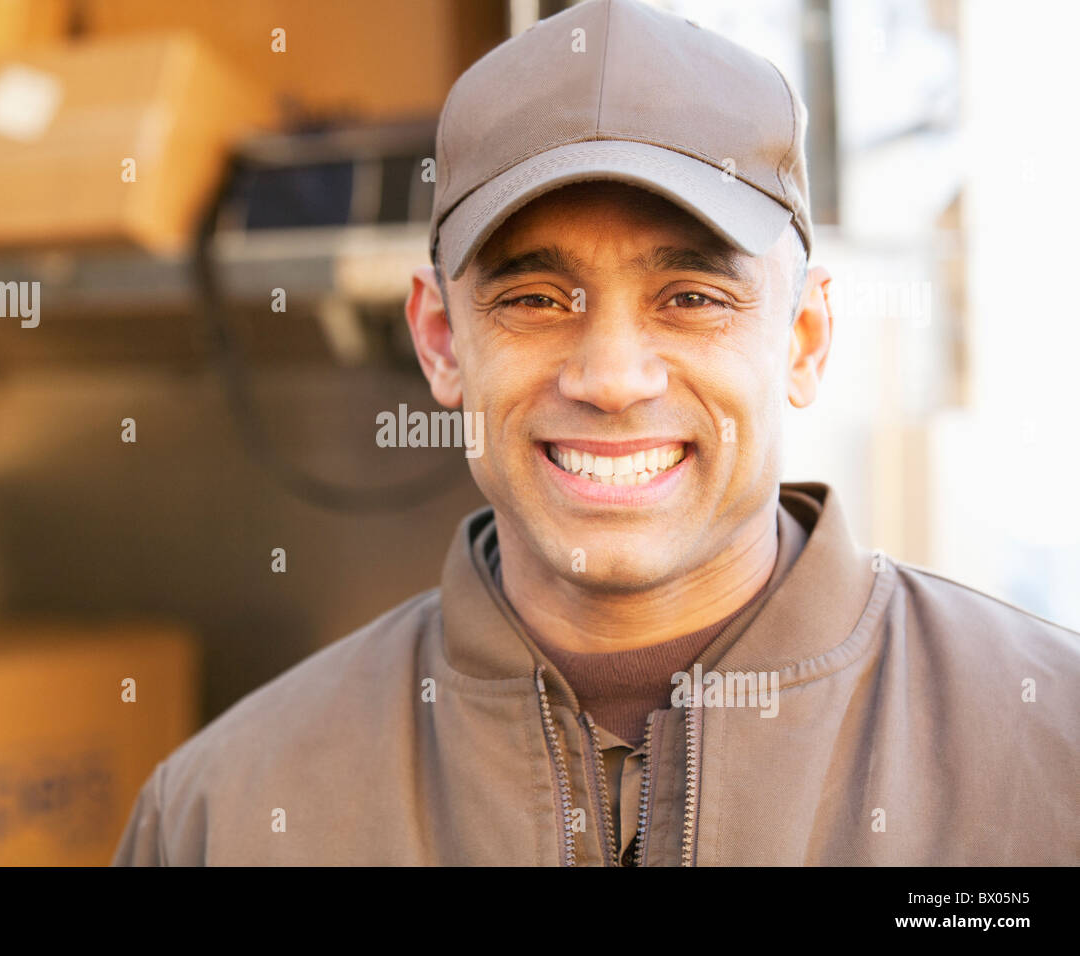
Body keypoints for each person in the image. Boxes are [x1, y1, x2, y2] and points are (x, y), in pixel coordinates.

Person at [112, 0, 1078, 866]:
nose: (612, 378)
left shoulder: (1050, 753)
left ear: (805, 338)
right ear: (442, 342)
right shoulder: (224, 815)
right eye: (535, 298)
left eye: (692, 297)